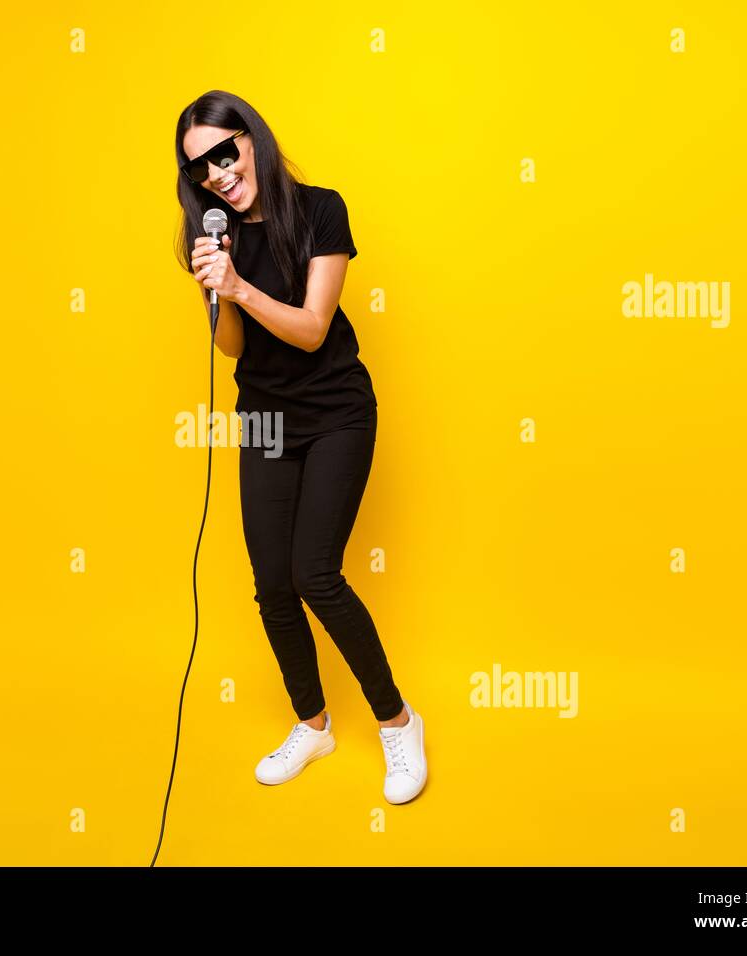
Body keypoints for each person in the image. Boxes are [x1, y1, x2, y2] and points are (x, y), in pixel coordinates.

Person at [173, 91, 427, 804]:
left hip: (336, 410)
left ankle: (398, 722)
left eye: (226, 152)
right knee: (272, 584)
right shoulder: (209, 236)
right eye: (200, 168)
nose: (217, 174)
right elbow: (231, 350)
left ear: (253, 139)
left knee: (316, 573)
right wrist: (213, 288)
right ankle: (312, 724)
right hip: (263, 417)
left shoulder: (321, 210)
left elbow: (313, 328)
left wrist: (242, 287)